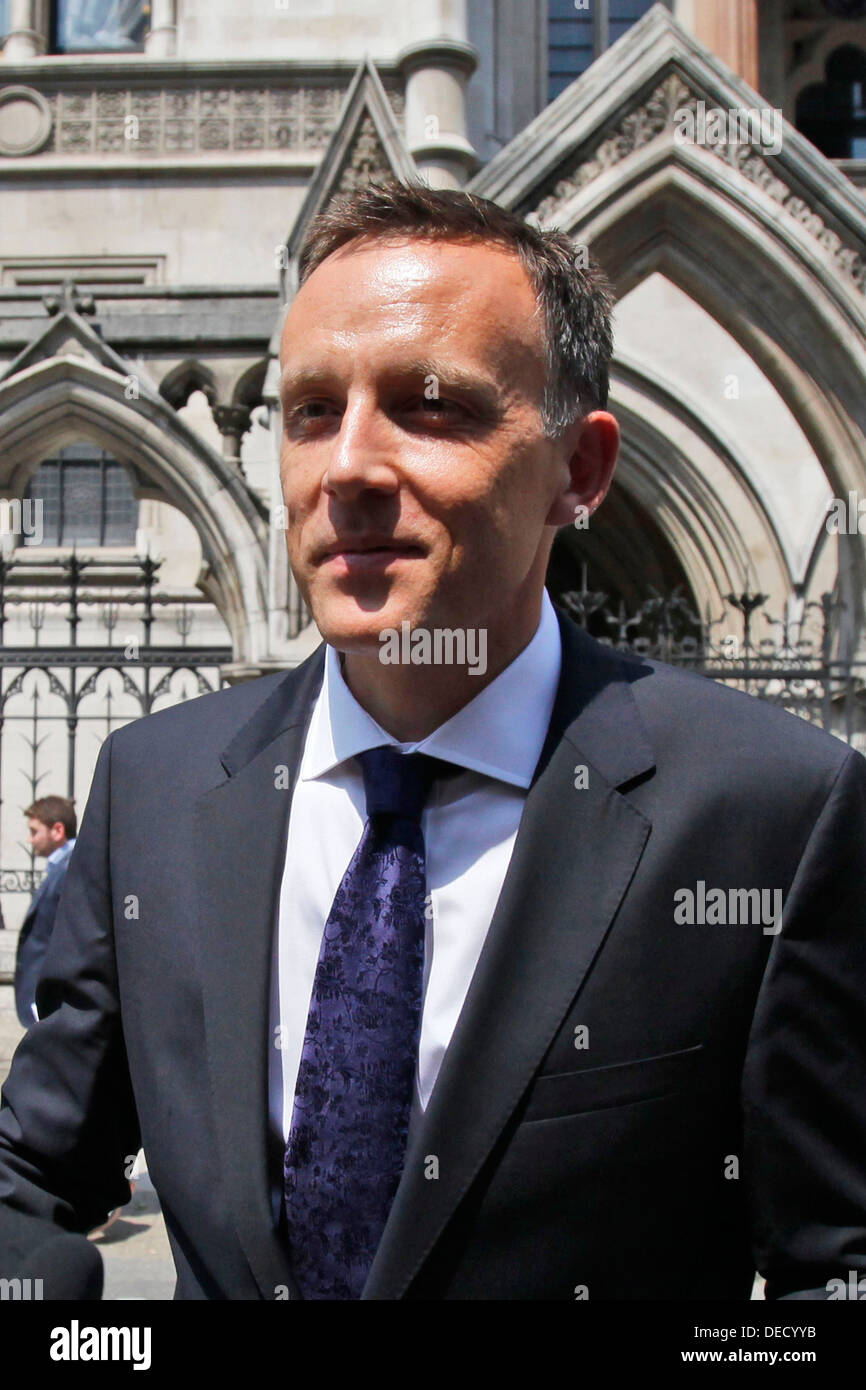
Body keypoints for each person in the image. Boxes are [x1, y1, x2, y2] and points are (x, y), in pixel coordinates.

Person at [0, 180, 864, 1301]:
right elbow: (33, 1174)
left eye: (429, 406)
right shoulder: (155, 786)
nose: (347, 467)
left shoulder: (770, 815)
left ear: (580, 469)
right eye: (311, 410)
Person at [13, 796, 77, 1029]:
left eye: (35, 831)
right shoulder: (61, 866)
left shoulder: (71, 868)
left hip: (53, 995)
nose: (30, 840)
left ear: (57, 830)